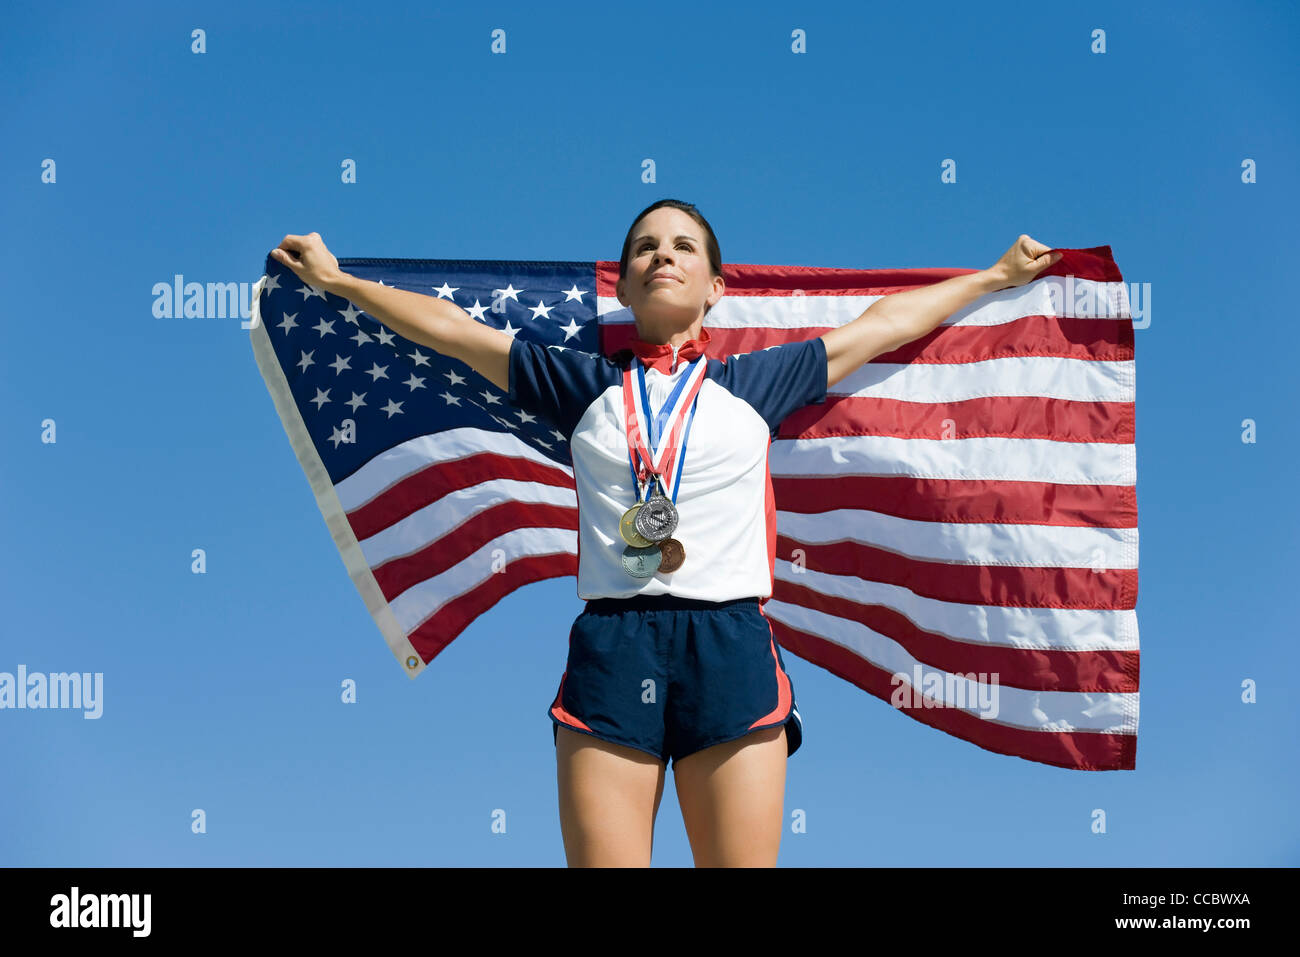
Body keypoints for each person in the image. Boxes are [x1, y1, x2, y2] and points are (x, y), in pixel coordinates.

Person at [270, 201, 1061, 867]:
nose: (663, 255)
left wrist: (994, 277)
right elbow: (451, 331)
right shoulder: (579, 385)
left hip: (730, 641)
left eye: (684, 245)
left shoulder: (758, 382)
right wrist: (337, 281)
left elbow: (881, 326)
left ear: (717, 286)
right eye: (646, 246)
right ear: (623, 281)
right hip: (614, 648)